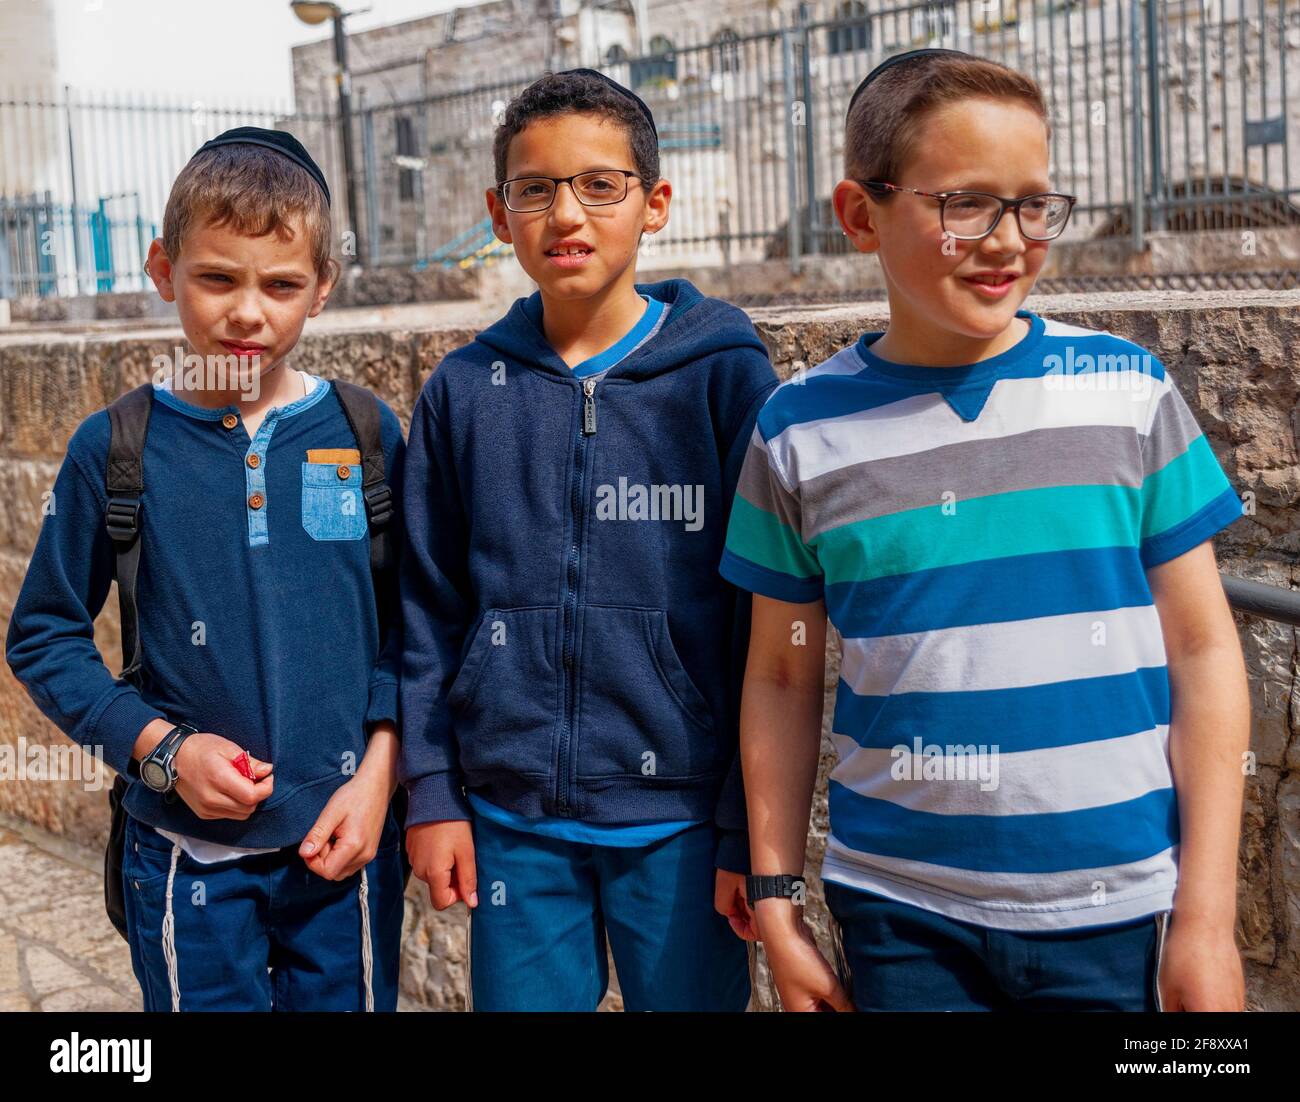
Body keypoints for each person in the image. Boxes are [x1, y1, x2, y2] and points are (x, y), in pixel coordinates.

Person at [723, 49, 1250, 1012]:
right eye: (965, 203)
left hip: (1117, 913)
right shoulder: (796, 431)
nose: (1009, 239)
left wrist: (1207, 923)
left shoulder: (1129, 394)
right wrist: (777, 904)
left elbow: (1206, 647)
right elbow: (782, 672)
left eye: (1034, 204)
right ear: (859, 213)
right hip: (898, 916)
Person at [398, 69, 778, 1011]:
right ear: (499, 211)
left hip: (680, 824)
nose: (566, 212)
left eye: (600, 184)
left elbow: (766, 626)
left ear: (654, 205)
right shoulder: (462, 391)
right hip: (510, 821)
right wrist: (433, 790)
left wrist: (742, 828)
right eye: (536, 189)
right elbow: (426, 608)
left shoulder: (725, 378)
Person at [6, 127, 406, 1011]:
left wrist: (379, 777)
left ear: (323, 288)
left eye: (282, 284)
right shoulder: (115, 450)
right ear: (162, 268)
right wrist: (164, 753)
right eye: (217, 277)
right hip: (187, 865)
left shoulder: (366, 435)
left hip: (345, 854)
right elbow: (43, 637)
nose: (248, 313)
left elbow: (415, 631)